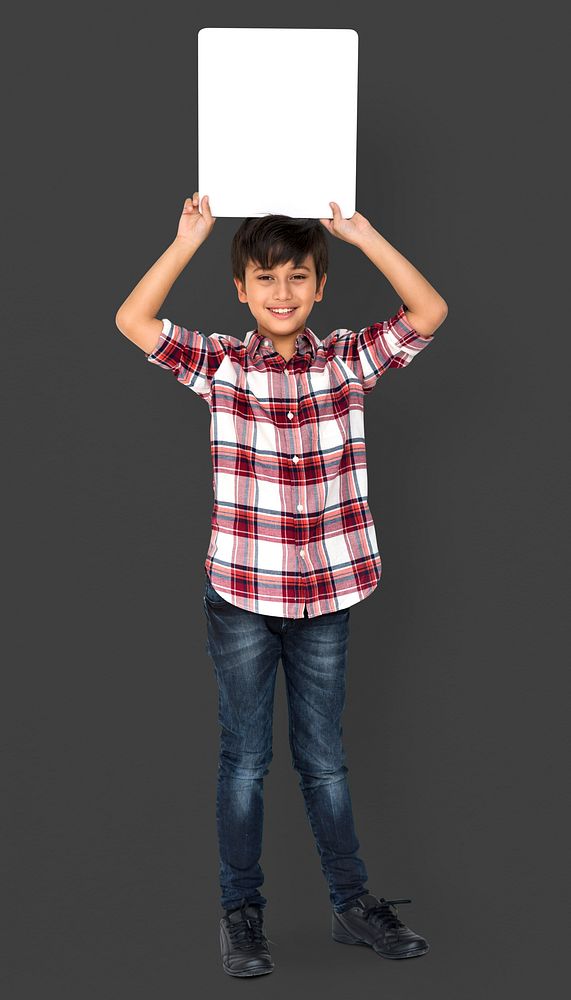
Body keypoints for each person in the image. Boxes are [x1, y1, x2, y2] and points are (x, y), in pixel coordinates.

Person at [116, 193, 448, 978]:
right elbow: (133, 320)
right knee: (244, 761)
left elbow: (428, 310)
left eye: (298, 276)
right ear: (241, 289)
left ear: (320, 285)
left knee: (324, 760)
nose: (281, 293)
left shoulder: (345, 360)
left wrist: (359, 232)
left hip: (327, 595)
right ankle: (242, 913)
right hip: (240, 594)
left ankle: (350, 903)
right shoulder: (222, 366)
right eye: (264, 278)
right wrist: (190, 239)